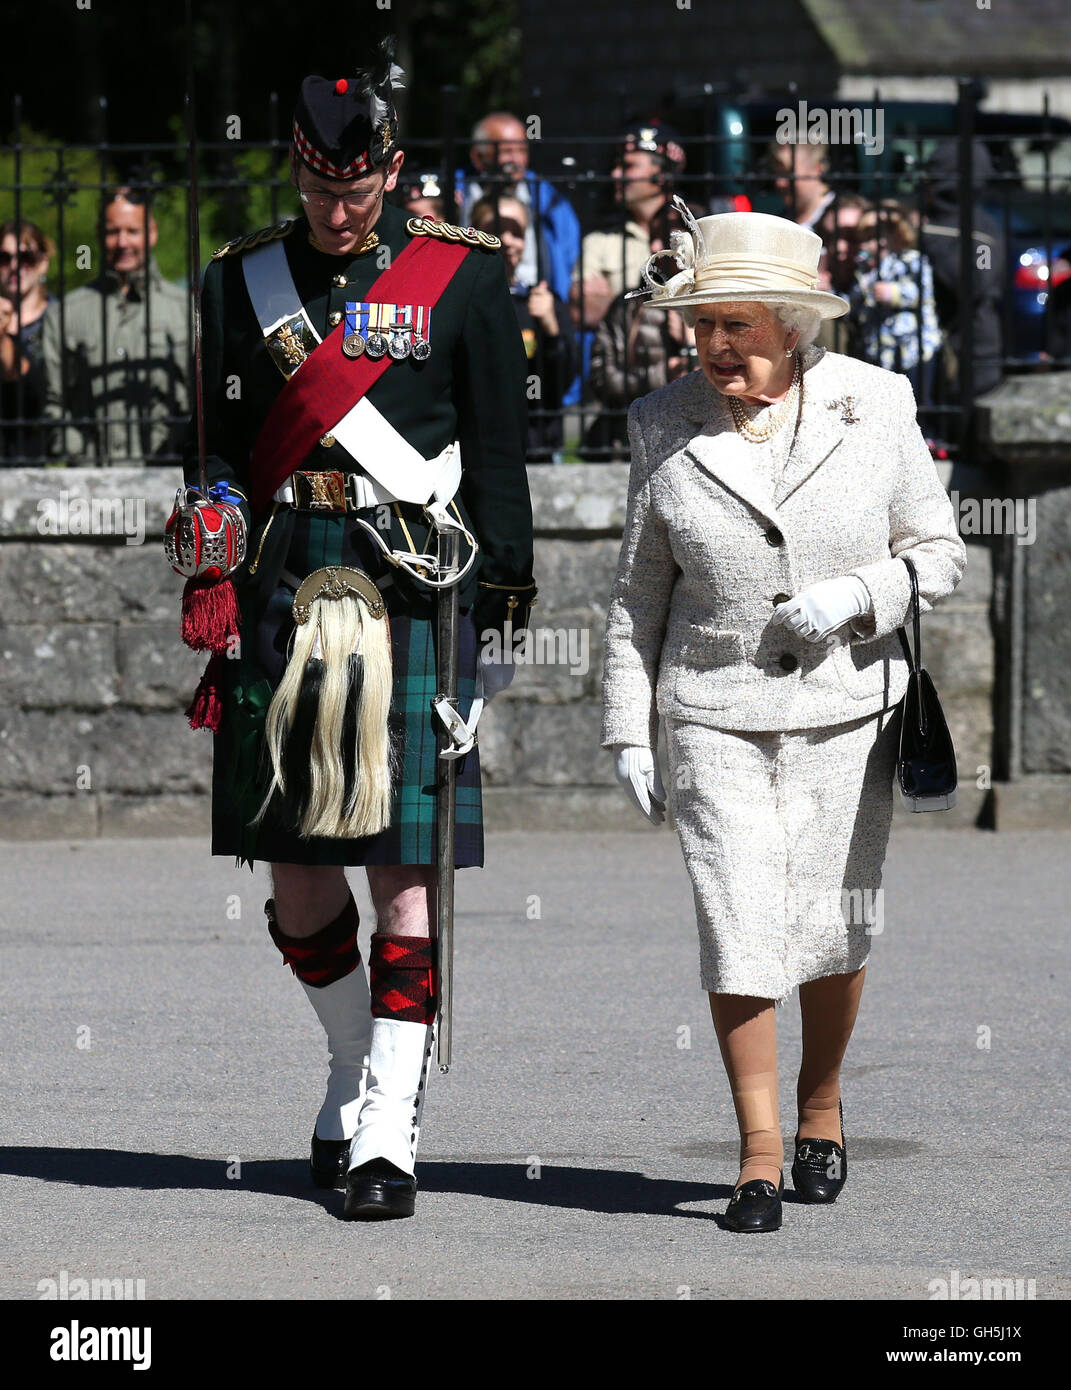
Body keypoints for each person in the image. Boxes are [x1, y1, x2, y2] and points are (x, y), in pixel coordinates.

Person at [183, 39, 537, 1221]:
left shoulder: (464, 278)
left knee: (400, 875)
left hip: (411, 586)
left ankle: (391, 1117)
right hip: (290, 579)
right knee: (293, 877)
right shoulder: (241, 282)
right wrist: (216, 533)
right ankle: (349, 1062)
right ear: (296, 168)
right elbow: (222, 454)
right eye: (320, 187)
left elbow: (496, 456)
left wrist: (495, 605)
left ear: (391, 169)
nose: (339, 208)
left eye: (359, 186)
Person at [601, 200, 965, 1232]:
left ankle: (821, 1103)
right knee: (739, 925)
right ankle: (758, 1153)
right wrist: (629, 727)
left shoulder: (877, 402)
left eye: (737, 326)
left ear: (792, 325)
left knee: (836, 926)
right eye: (703, 325)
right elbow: (638, 596)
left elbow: (937, 554)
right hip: (714, 708)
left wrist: (858, 596)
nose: (714, 345)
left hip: (849, 708)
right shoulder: (660, 423)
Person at [41, 187, 188, 465]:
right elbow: (53, 402)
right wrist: (78, 455)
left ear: (151, 233)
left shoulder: (185, 309)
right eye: (112, 232)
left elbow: (199, 401)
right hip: (91, 486)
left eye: (132, 231)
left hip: (168, 479)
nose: (122, 242)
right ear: (99, 233)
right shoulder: (65, 313)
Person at [470, 193, 574, 459]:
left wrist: (551, 329)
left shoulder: (543, 301)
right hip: (478, 443)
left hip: (538, 442)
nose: (506, 241)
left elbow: (564, 381)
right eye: (494, 230)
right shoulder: (462, 300)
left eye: (516, 232)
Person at [460, 111, 580, 306]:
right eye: (507, 151)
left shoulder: (548, 198)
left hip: (534, 304)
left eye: (522, 150)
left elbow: (568, 254)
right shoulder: (457, 193)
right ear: (478, 157)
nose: (517, 160)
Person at [848, 201, 942, 406]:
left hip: (913, 347)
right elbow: (855, 302)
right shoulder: (866, 270)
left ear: (896, 236)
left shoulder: (911, 259)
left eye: (874, 238)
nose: (867, 245)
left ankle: (927, 435)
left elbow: (921, 292)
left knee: (918, 398)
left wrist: (895, 293)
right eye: (864, 239)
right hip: (880, 348)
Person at [0, 219, 53, 463]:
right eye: (4, 258)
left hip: (44, 452)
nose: (14, 266)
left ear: (43, 263)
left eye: (26, 258)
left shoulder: (57, 319)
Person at [770, 139, 836, 231]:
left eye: (788, 174)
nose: (779, 182)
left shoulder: (842, 217)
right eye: (777, 173)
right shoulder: (778, 222)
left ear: (818, 169)